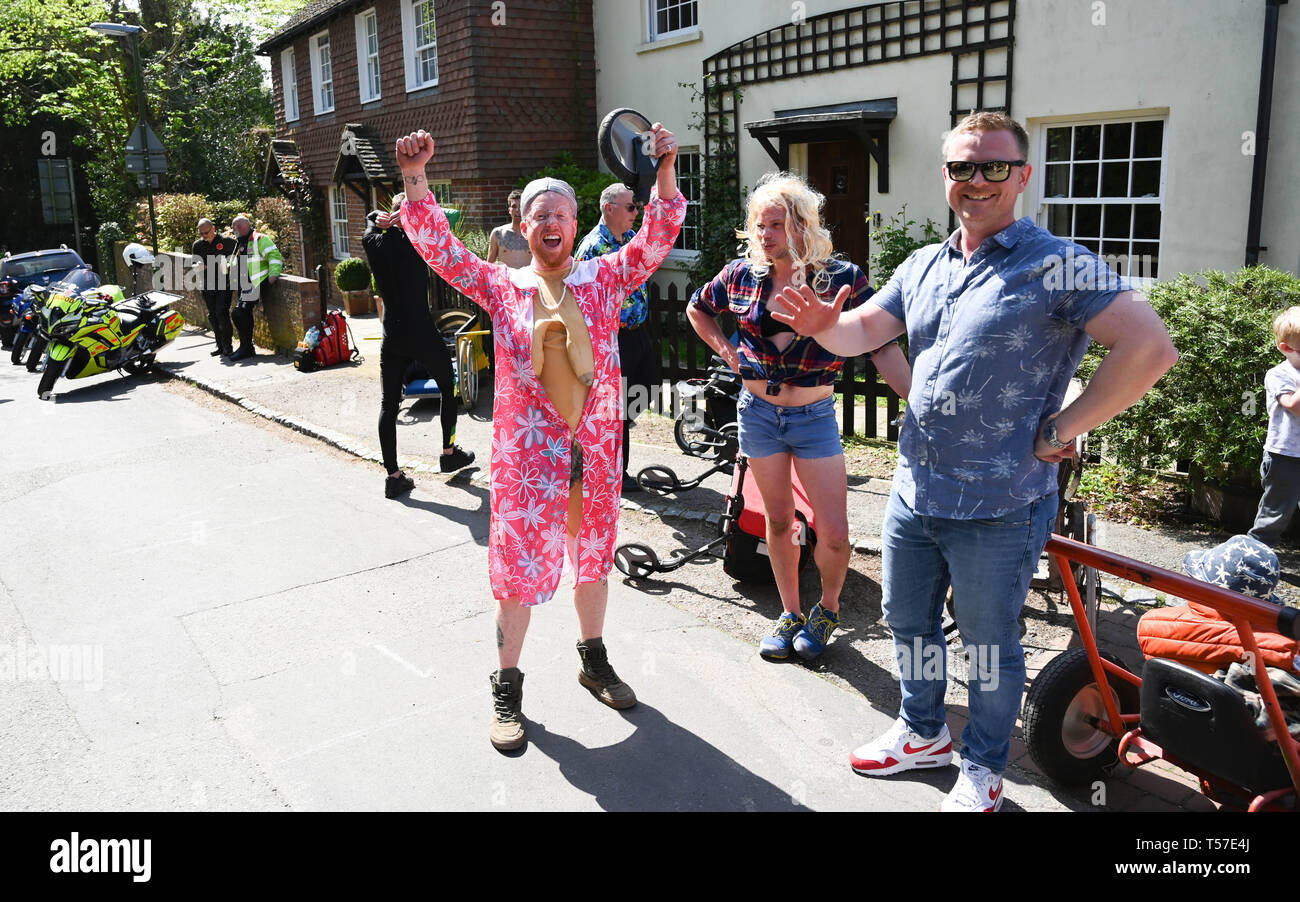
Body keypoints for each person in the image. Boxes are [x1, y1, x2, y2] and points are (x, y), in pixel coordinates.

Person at [773, 110, 1178, 810]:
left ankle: (986, 765)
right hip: (915, 490)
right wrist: (824, 327)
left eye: (995, 166)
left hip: (1000, 501)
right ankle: (924, 731)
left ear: (1023, 176)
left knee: (989, 644)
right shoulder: (925, 264)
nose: (978, 180)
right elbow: (863, 330)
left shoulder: (1057, 263)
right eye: (963, 167)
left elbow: (1150, 348)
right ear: (946, 177)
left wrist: (1065, 427)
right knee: (908, 620)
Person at [394, 124, 685, 752]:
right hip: (529, 464)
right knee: (516, 574)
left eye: (560, 213)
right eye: (538, 214)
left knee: (593, 560)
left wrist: (663, 168)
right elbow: (441, 250)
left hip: (596, 458)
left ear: (574, 226)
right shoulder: (503, 288)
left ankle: (593, 659)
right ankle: (507, 687)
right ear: (524, 229)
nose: (550, 222)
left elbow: (659, 233)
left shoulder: (605, 279)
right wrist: (416, 178)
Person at [688, 172, 911, 664]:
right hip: (758, 414)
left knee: (832, 529)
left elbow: (879, 343)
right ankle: (790, 611)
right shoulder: (740, 275)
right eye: (759, 225)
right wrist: (728, 352)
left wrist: (918, 399)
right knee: (779, 518)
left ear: (803, 227)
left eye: (776, 224)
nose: (764, 235)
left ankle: (826, 610)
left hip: (813, 416)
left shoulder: (842, 279)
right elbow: (697, 309)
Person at [363, 193, 476, 499]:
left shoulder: (373, 243)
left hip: (393, 336)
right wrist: (413, 217)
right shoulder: (421, 243)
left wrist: (377, 217)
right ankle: (448, 451)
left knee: (388, 405)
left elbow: (369, 224)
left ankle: (393, 476)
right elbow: (446, 217)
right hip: (422, 333)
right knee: (449, 387)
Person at [575, 182, 655, 493]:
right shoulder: (592, 247)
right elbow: (579, 297)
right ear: (609, 209)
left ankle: (611, 433)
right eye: (631, 207)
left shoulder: (632, 239)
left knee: (646, 388)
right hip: (611, 340)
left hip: (638, 332)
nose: (637, 213)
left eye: (636, 207)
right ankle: (616, 473)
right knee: (618, 408)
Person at [1247, 306, 1300, 547]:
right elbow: (1293, 404)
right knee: (1274, 515)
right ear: (1287, 348)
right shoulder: (1279, 374)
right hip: (1285, 456)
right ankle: (1253, 558)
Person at [227, 214, 283, 361]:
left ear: (240, 226)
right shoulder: (240, 242)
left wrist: (273, 276)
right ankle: (246, 347)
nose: (233, 230)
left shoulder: (259, 239)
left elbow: (275, 255)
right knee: (243, 313)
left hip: (257, 282)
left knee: (239, 313)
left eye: (234, 227)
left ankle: (246, 348)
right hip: (245, 284)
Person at [190, 218, 235, 357]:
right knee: (213, 316)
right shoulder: (197, 245)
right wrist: (197, 266)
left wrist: (209, 266)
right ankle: (220, 345)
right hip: (207, 285)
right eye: (201, 233)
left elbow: (234, 260)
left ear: (213, 228)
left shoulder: (227, 242)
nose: (204, 236)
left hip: (224, 284)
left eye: (207, 232)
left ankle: (228, 346)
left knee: (222, 312)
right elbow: (193, 263)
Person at [486, 189, 533, 269]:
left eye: (521, 207)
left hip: (528, 280)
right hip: (506, 279)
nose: (518, 210)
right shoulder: (497, 233)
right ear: (509, 210)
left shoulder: (534, 233)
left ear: (526, 210)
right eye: (514, 206)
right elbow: (489, 265)